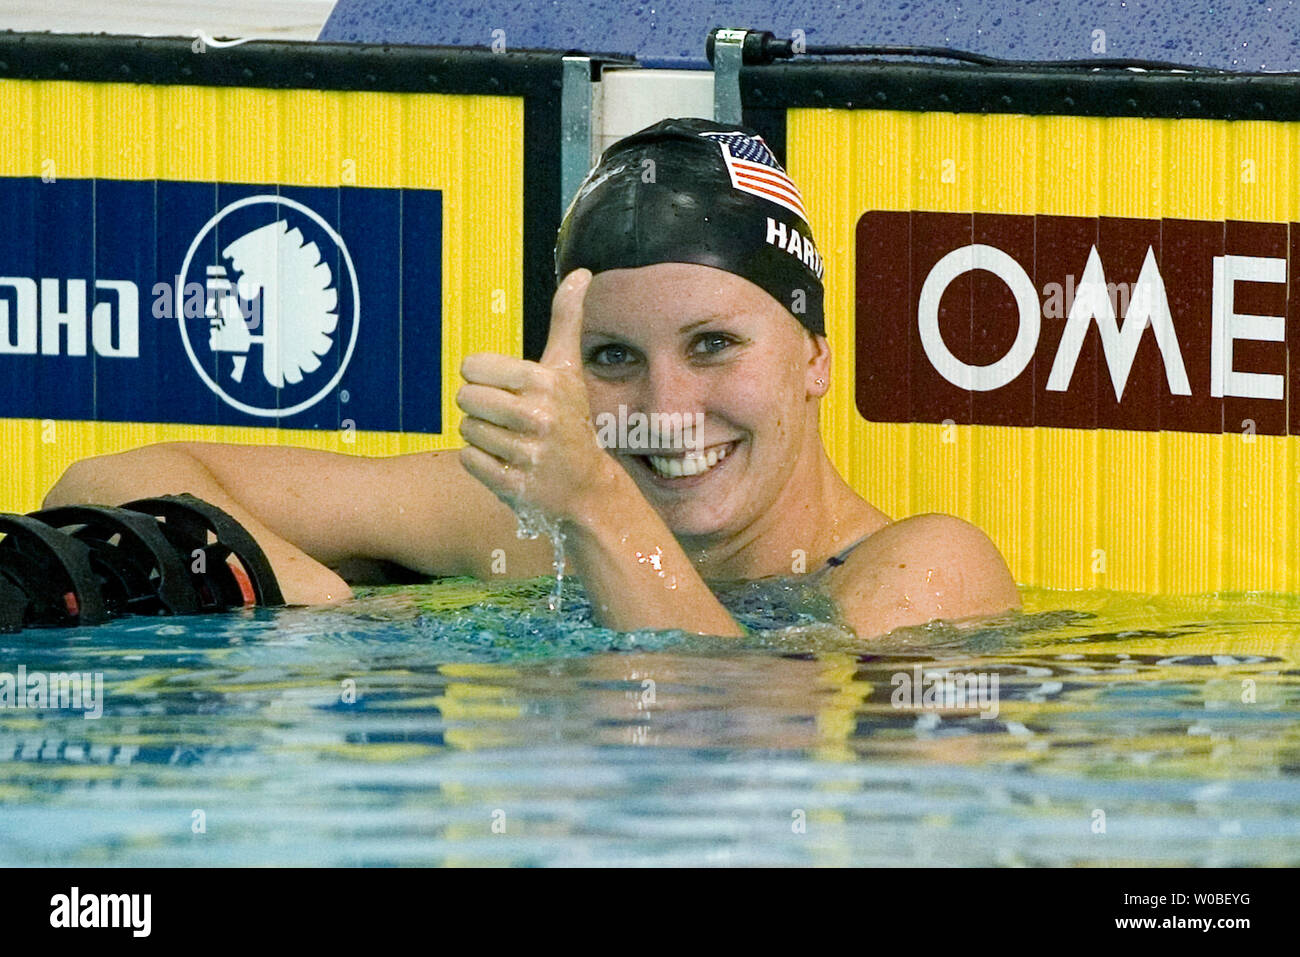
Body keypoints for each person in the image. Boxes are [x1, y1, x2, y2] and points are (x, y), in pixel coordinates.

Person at [42, 118, 1021, 639]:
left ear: (814, 357)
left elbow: (732, 732)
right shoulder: (521, 527)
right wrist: (315, 607)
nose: (666, 408)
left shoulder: (926, 569)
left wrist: (595, 499)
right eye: (613, 358)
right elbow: (110, 481)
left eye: (714, 345)